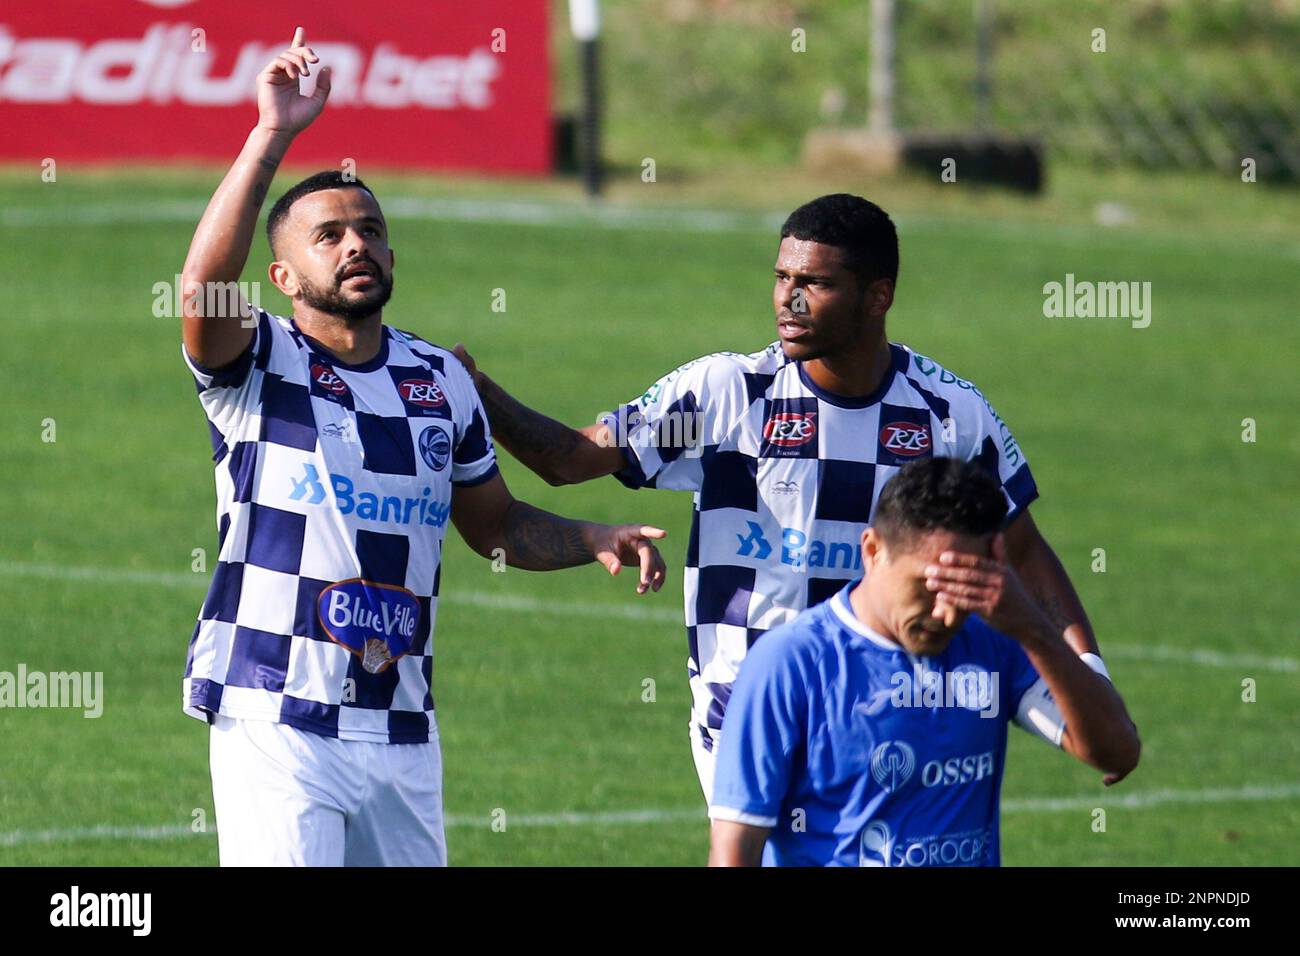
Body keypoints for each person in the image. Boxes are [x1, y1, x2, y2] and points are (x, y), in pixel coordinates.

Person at [179, 28, 667, 866]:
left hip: (402, 724)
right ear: (284, 279)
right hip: (274, 712)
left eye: (368, 228)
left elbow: (495, 527)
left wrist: (592, 539)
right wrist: (271, 136)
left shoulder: (439, 378)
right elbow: (203, 289)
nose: (356, 243)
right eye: (327, 236)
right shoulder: (260, 360)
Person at [454, 192, 1107, 802]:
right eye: (782, 278)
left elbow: (1021, 550)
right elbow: (571, 459)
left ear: (878, 296)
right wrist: (480, 393)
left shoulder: (949, 415)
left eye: (815, 284)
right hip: (745, 720)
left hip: (887, 718)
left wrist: (1089, 675)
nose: (787, 301)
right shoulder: (727, 395)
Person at [707, 457, 1140, 866]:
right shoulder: (790, 665)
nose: (945, 615)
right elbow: (735, 850)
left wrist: (1036, 630)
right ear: (873, 551)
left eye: (964, 587)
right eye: (928, 586)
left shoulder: (996, 644)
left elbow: (1116, 750)